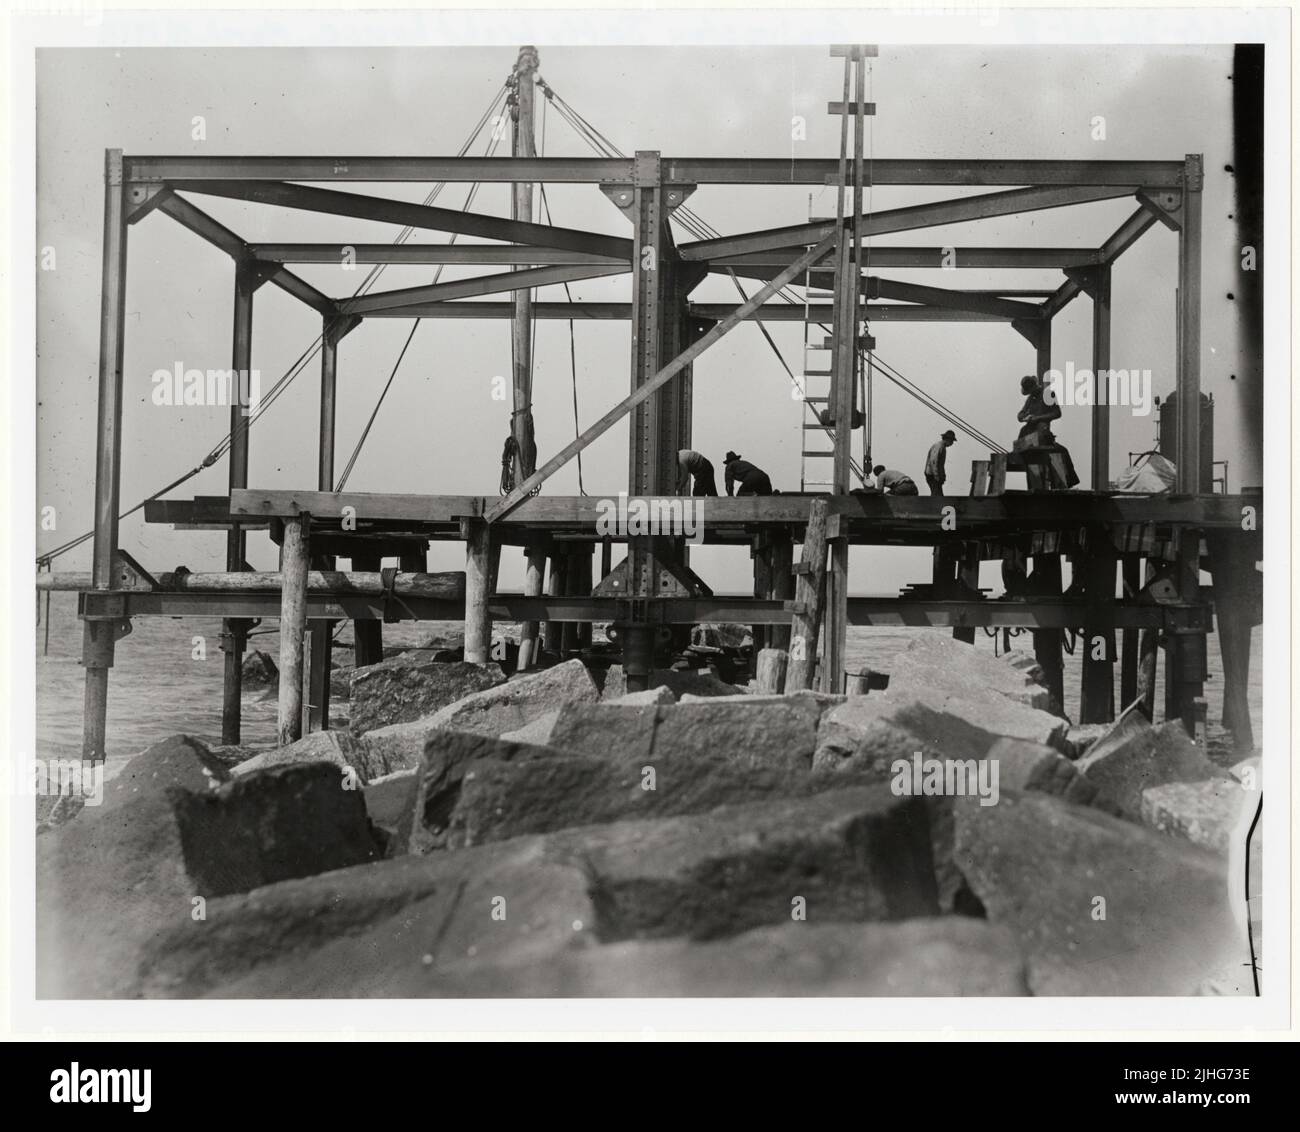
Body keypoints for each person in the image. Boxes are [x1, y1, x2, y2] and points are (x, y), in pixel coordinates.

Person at [1015, 374, 1062, 448]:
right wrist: (1025, 417)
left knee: (1041, 430)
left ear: (1034, 387)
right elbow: (1021, 414)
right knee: (1022, 433)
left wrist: (1038, 418)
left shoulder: (1048, 394)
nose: (1030, 394)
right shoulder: (1031, 398)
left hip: (1042, 428)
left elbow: (1057, 413)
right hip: (1030, 428)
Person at [925, 430, 956, 495]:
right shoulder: (939, 446)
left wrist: (942, 476)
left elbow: (940, 465)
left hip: (935, 476)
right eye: (952, 441)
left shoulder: (942, 447)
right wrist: (936, 476)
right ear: (948, 439)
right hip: (932, 475)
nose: (952, 443)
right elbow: (934, 461)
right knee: (937, 496)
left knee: (937, 494)